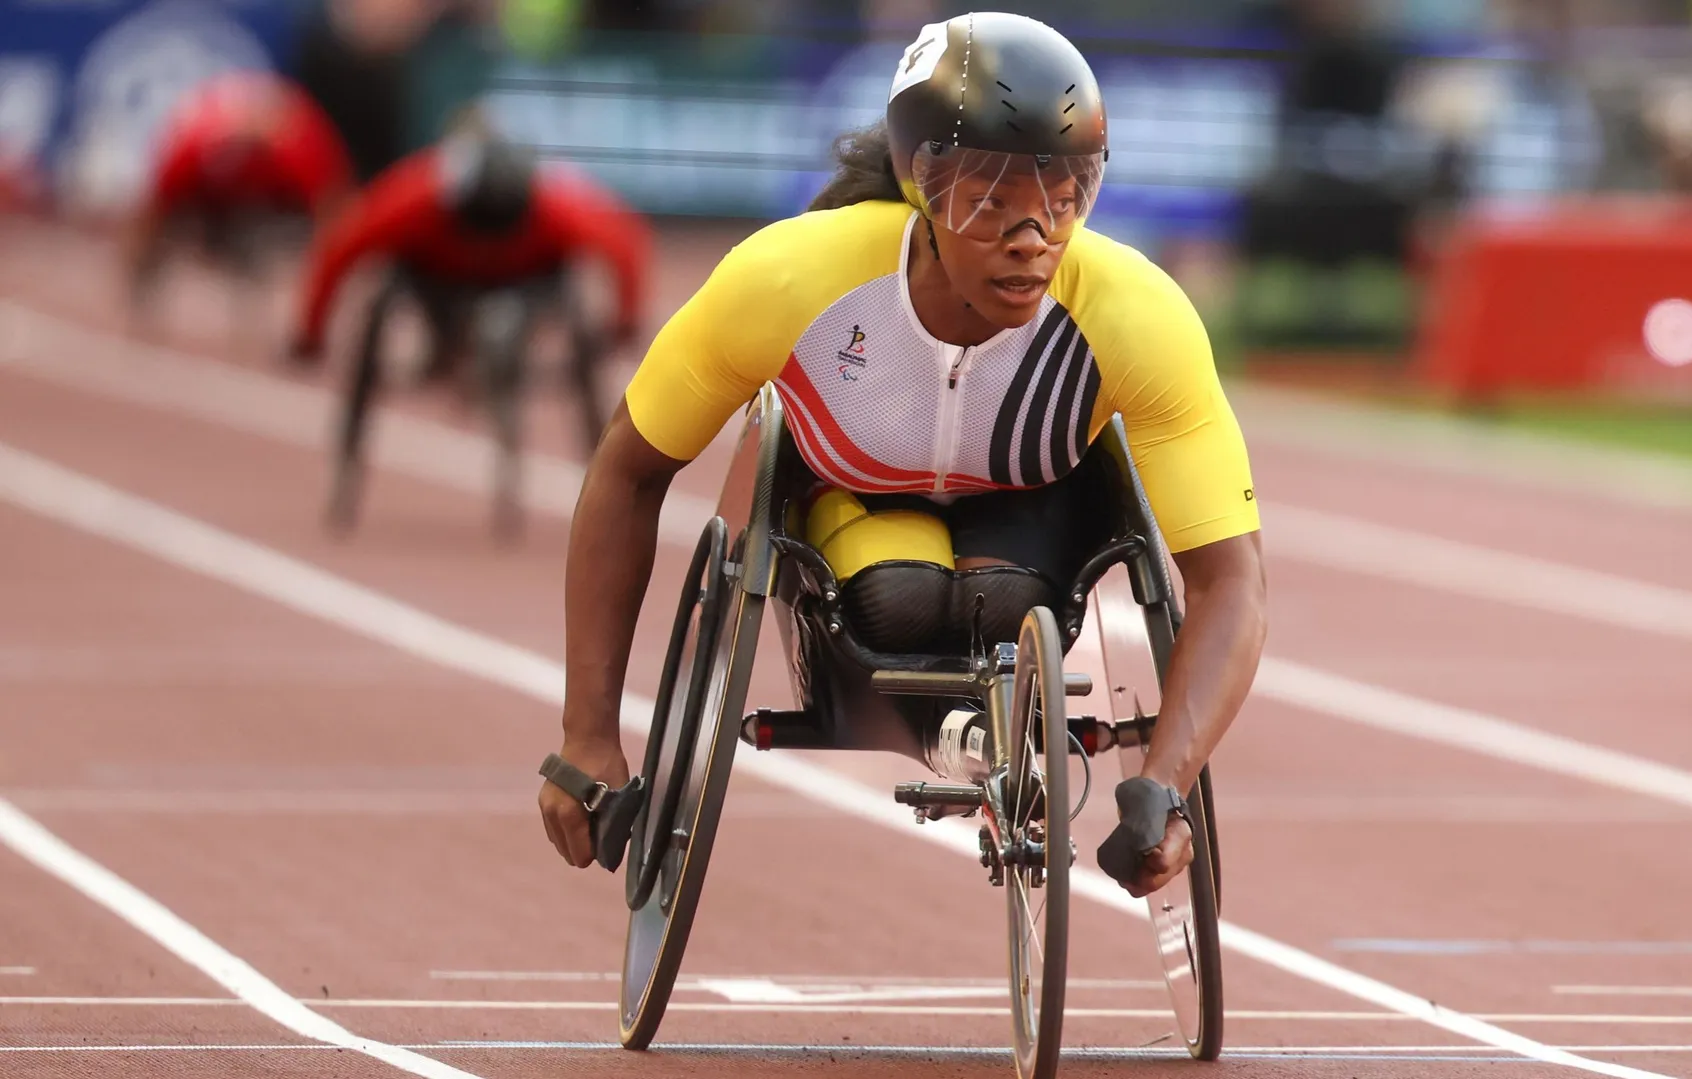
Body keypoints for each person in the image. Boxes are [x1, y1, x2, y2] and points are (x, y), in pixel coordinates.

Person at [536, 12, 1268, 898]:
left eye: (1066, 195)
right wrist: (587, 732)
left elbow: (1230, 577)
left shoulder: (1134, 316)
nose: (1031, 238)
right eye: (988, 200)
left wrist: (1167, 781)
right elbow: (628, 468)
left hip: (1030, 501)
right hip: (852, 492)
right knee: (904, 600)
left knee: (1000, 612)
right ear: (920, 184)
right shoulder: (789, 281)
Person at [290, 119, 652, 540]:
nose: (487, 240)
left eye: (500, 223)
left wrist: (623, 323)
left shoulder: (557, 206)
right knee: (377, 308)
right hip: (437, 283)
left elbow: (625, 246)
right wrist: (311, 332)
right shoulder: (413, 198)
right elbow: (340, 250)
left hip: (527, 281)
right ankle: (351, 461)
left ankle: (601, 474)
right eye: (480, 222)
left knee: (582, 330)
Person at [126, 71, 353, 324]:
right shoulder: (192, 145)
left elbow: (332, 213)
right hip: (208, 201)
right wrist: (140, 257)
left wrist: (322, 289)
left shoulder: (302, 152)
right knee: (156, 235)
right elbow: (155, 206)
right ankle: (140, 282)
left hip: (275, 210)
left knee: (308, 238)